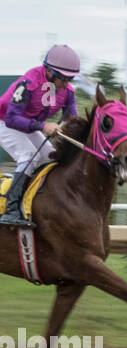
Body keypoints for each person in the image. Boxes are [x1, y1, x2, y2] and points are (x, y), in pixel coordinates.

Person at [0, 45, 81, 228]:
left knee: (50, 157)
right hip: (4, 122)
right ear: (48, 70)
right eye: (62, 78)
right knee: (29, 155)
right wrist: (43, 126)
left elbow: (71, 119)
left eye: (70, 78)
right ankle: (11, 210)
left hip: (28, 125)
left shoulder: (68, 92)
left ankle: (39, 205)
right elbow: (12, 119)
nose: (65, 83)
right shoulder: (28, 82)